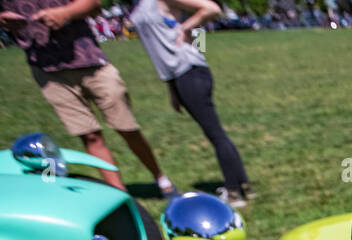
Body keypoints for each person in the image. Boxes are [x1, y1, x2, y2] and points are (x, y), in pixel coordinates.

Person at [0, 0, 175, 195]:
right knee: (89, 134)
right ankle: (121, 195)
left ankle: (160, 177)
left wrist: (66, 12)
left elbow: (94, 4)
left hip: (90, 60)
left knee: (127, 128)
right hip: (46, 68)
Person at [130, 0, 252, 206]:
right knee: (214, 133)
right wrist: (172, 89)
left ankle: (234, 192)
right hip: (177, 76)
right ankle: (243, 185)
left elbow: (212, 8)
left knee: (215, 133)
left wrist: (186, 27)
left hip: (190, 71)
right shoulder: (139, 5)